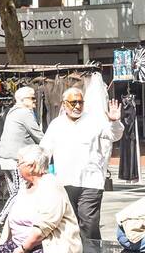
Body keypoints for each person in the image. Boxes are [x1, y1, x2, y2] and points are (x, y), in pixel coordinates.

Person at [40, 84, 123, 240]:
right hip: (65, 181)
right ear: (64, 104)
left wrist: (115, 122)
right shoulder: (56, 124)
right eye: (73, 103)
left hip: (91, 182)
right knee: (69, 224)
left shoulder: (94, 121)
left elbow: (114, 135)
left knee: (89, 223)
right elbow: (45, 149)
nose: (77, 106)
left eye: (80, 102)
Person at [0, 86, 42, 228]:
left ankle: (11, 221)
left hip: (5, 156)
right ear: (22, 100)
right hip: (15, 158)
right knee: (19, 192)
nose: (35, 101)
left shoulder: (12, 111)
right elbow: (37, 135)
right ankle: (0, 219)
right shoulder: (25, 112)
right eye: (32, 98)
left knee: (15, 191)